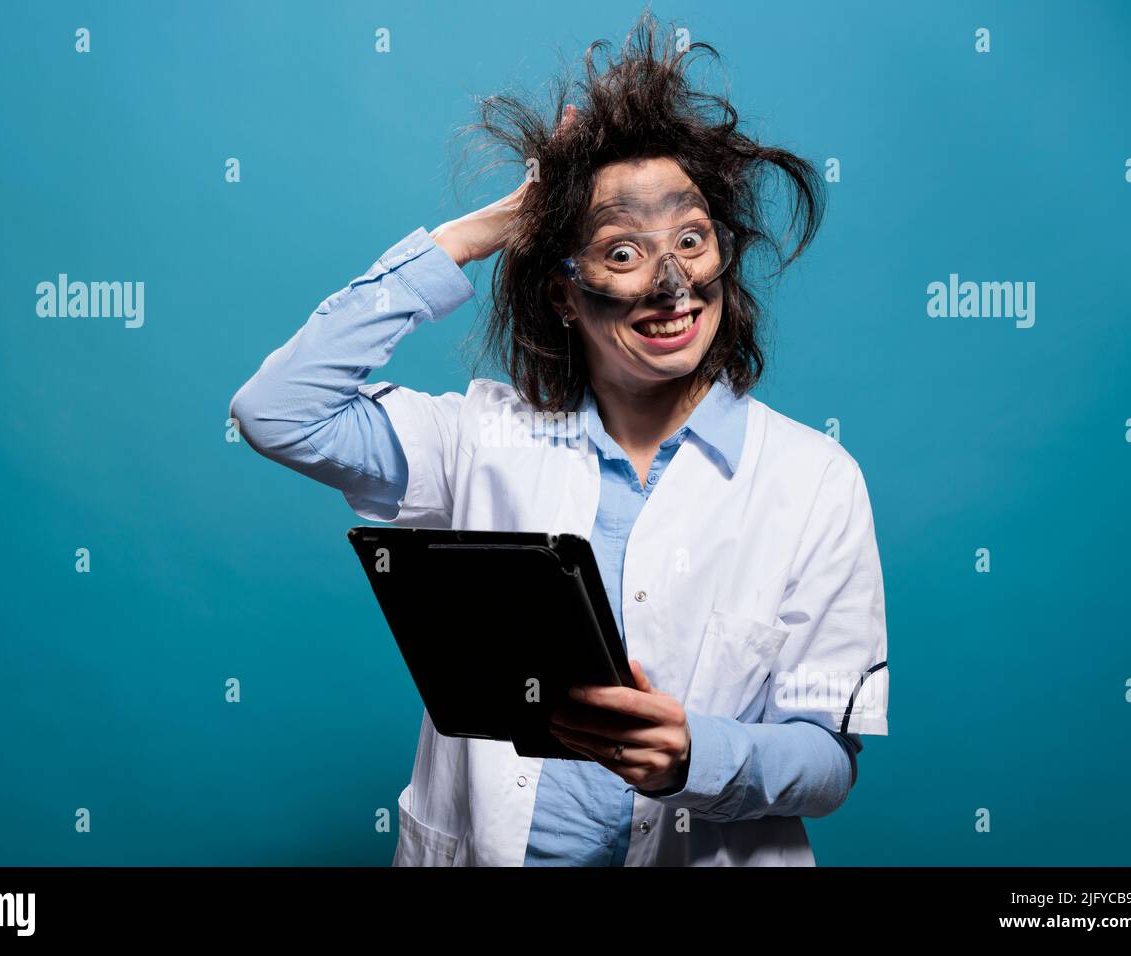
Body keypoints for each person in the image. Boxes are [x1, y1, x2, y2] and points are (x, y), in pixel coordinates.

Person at [230, 13, 888, 867]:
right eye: (622, 253)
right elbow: (278, 410)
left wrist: (697, 755)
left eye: (692, 241)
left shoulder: (816, 480)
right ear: (563, 295)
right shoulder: (477, 440)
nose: (672, 285)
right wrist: (481, 232)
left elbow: (828, 761)